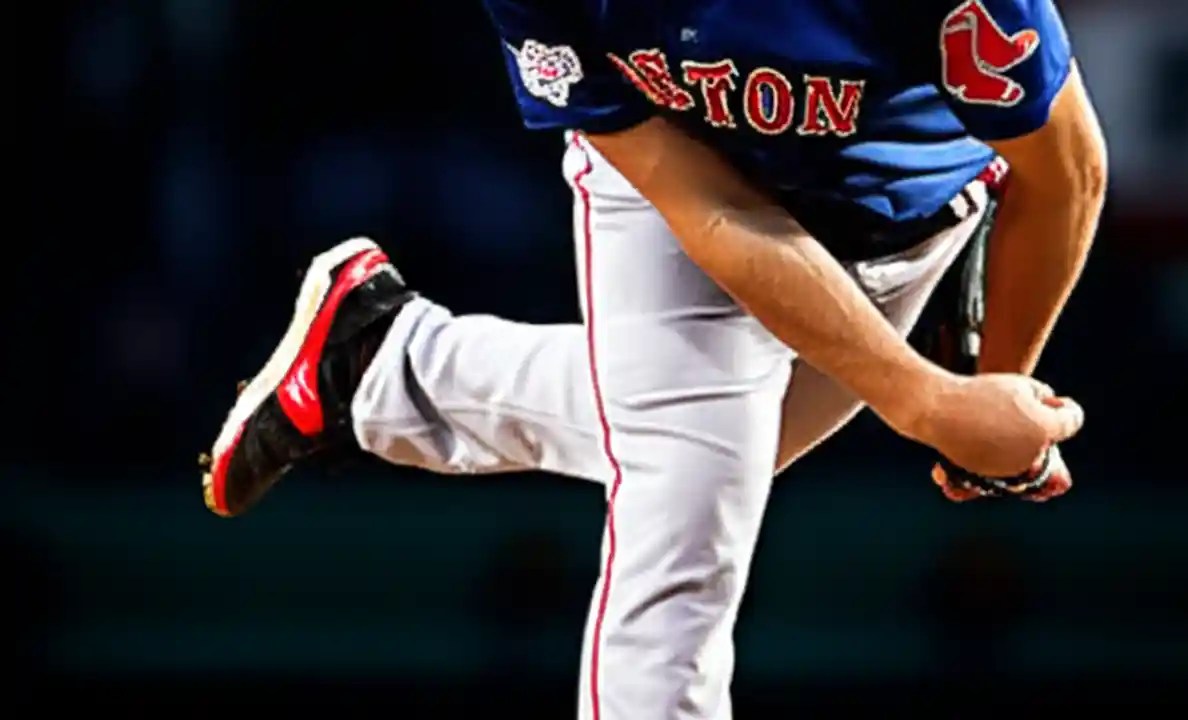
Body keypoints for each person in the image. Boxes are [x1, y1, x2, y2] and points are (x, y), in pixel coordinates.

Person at [199, 0, 1107, 717]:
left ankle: (383, 362)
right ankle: (385, 367)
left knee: (718, 450)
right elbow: (712, 207)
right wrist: (927, 403)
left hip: (904, 217)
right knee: (687, 523)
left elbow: (1066, 170)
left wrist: (990, 392)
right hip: (678, 186)